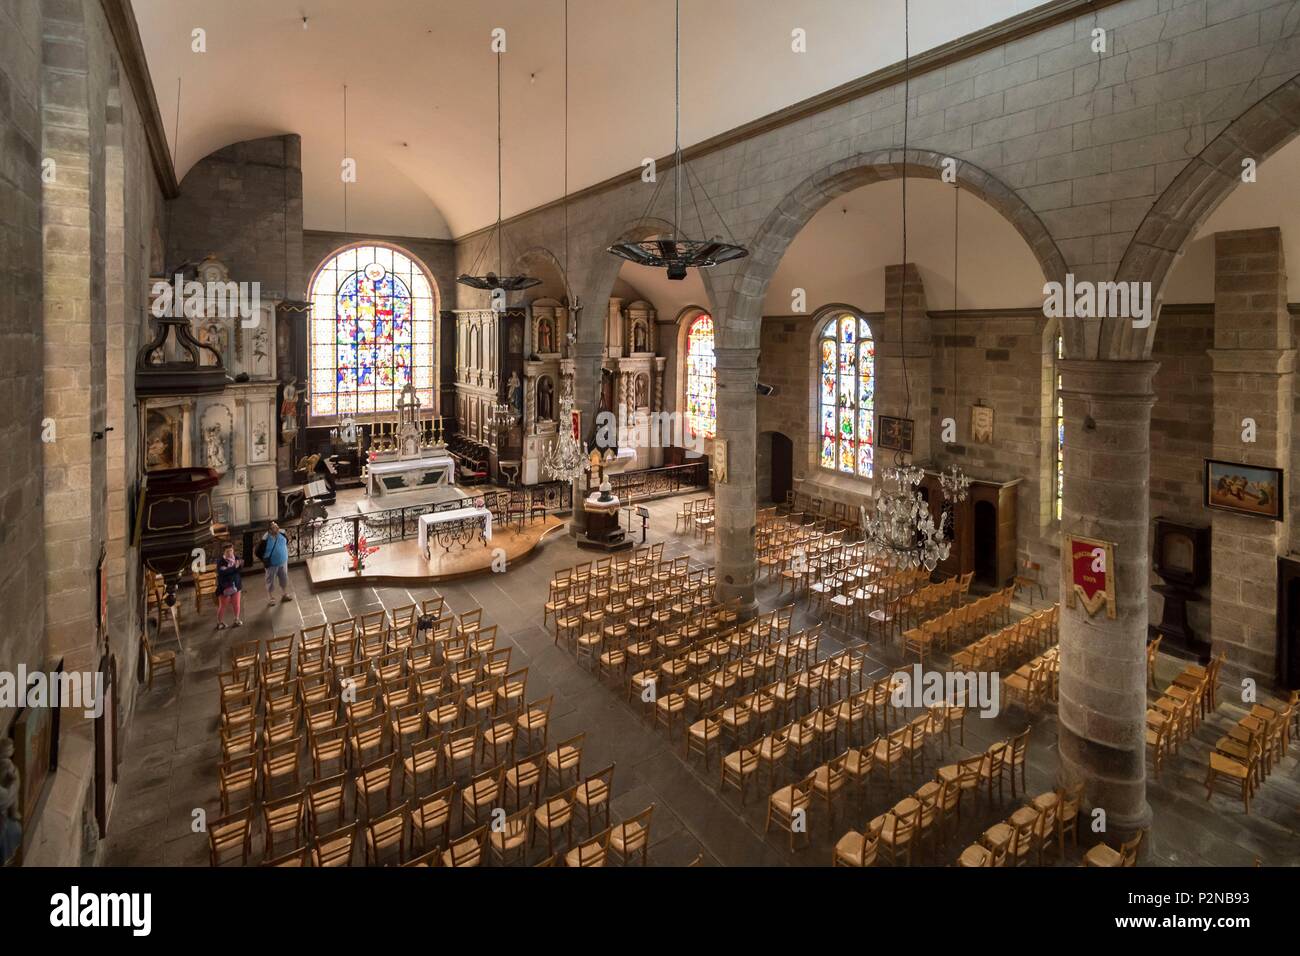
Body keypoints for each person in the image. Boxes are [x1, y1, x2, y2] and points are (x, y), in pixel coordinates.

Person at [262, 522, 293, 607]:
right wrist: (265, 560)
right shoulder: (265, 539)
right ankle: (271, 597)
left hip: (283, 561)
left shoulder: (282, 533)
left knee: (284, 578)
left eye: (277, 525)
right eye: (274, 527)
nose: (277, 527)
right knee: (270, 581)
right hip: (272, 564)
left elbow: (287, 540)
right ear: (269, 530)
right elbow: (259, 551)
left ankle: (284, 594)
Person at [215, 542, 243, 629]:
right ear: (224, 552)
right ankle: (220, 623)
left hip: (236, 585)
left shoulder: (236, 558)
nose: (230, 553)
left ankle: (236, 619)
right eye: (227, 551)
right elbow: (223, 572)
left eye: (231, 550)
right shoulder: (220, 561)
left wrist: (235, 568)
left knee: (236, 603)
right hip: (225, 587)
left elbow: (239, 569)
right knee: (223, 606)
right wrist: (234, 568)